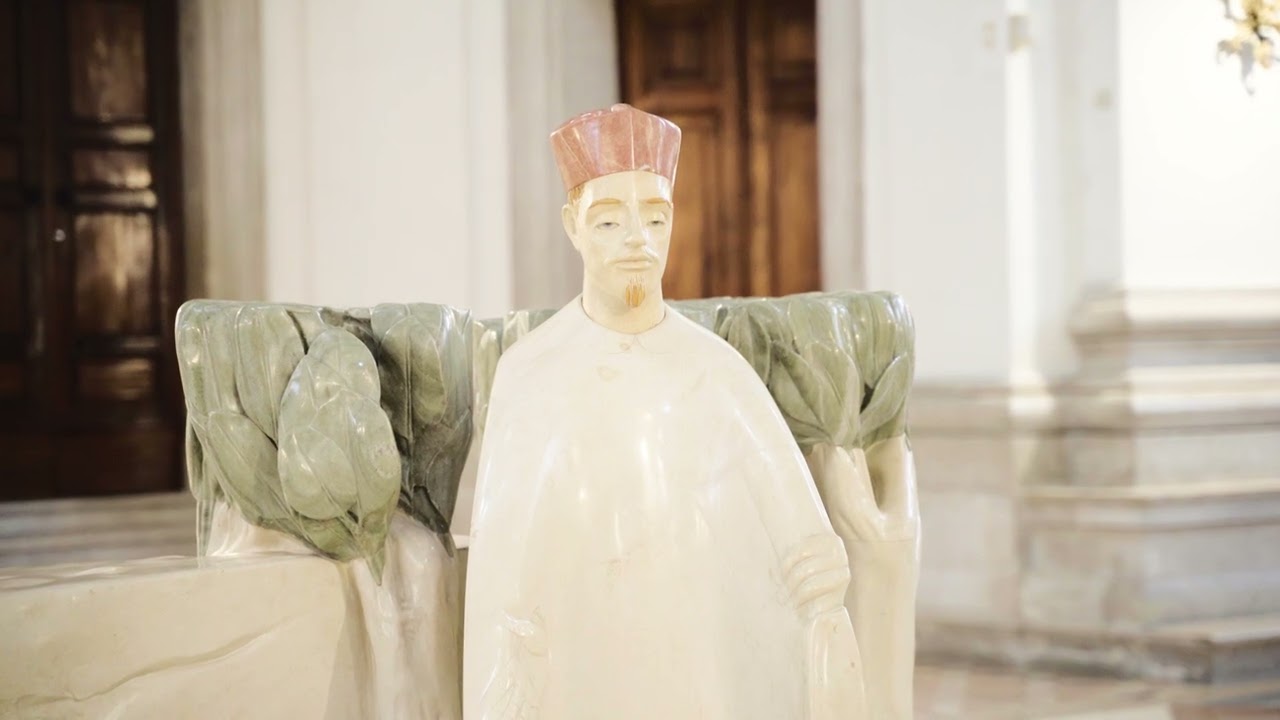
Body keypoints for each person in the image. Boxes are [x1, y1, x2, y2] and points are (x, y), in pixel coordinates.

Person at [463, 104, 866, 719]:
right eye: (608, 222)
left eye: (655, 217)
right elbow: (504, 573)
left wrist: (819, 569)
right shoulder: (530, 371)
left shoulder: (715, 370)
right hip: (581, 661)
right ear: (572, 224)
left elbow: (801, 534)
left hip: (695, 658)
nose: (637, 241)